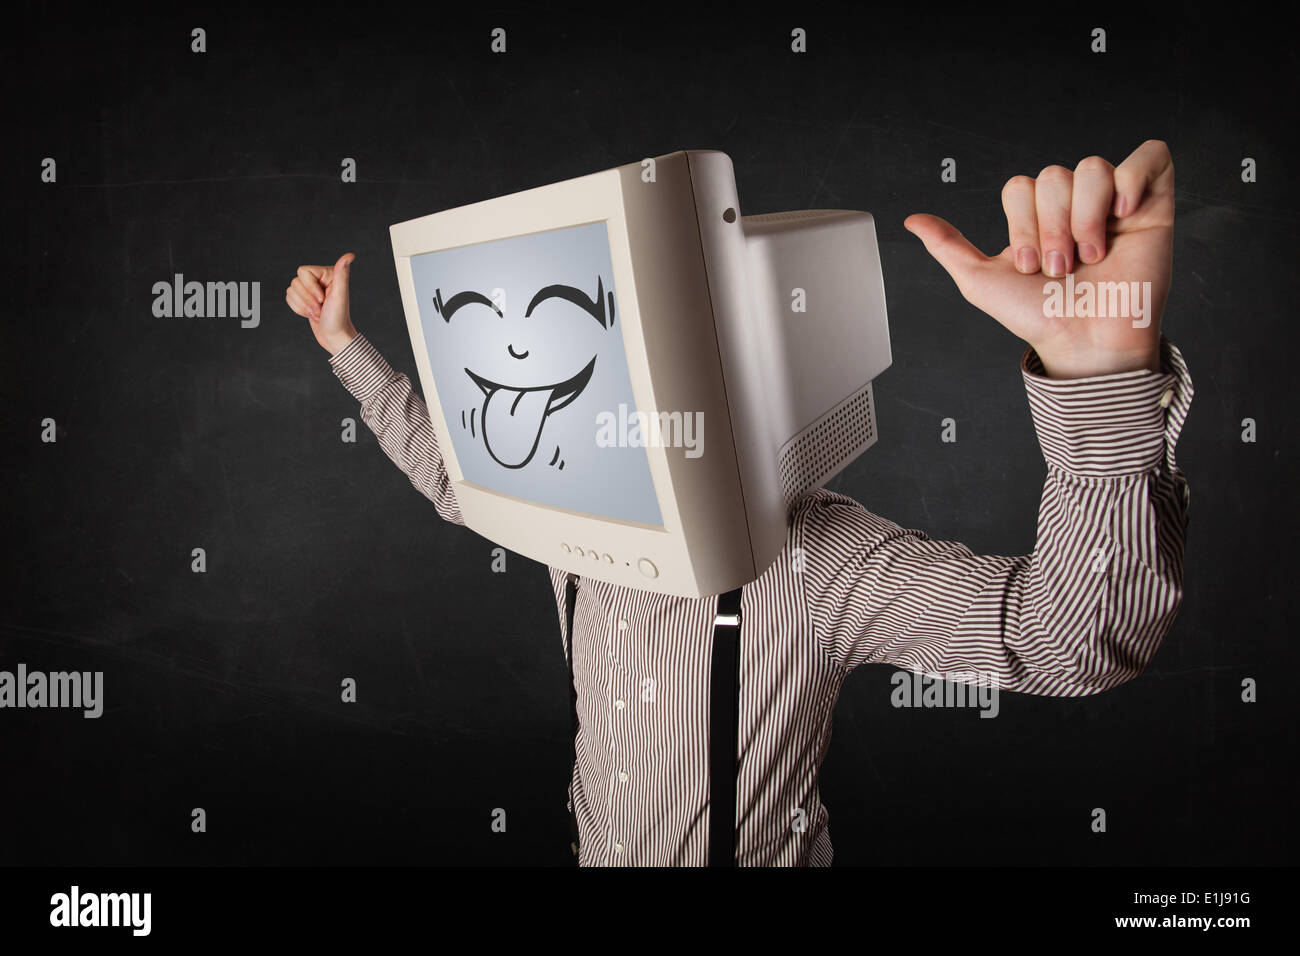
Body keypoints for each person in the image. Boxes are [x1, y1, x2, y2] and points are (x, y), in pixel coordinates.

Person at [285, 140, 1193, 866]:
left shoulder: (816, 561)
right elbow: (457, 478)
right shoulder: (565, 500)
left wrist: (1099, 372)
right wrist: (347, 346)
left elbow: (1070, 638)